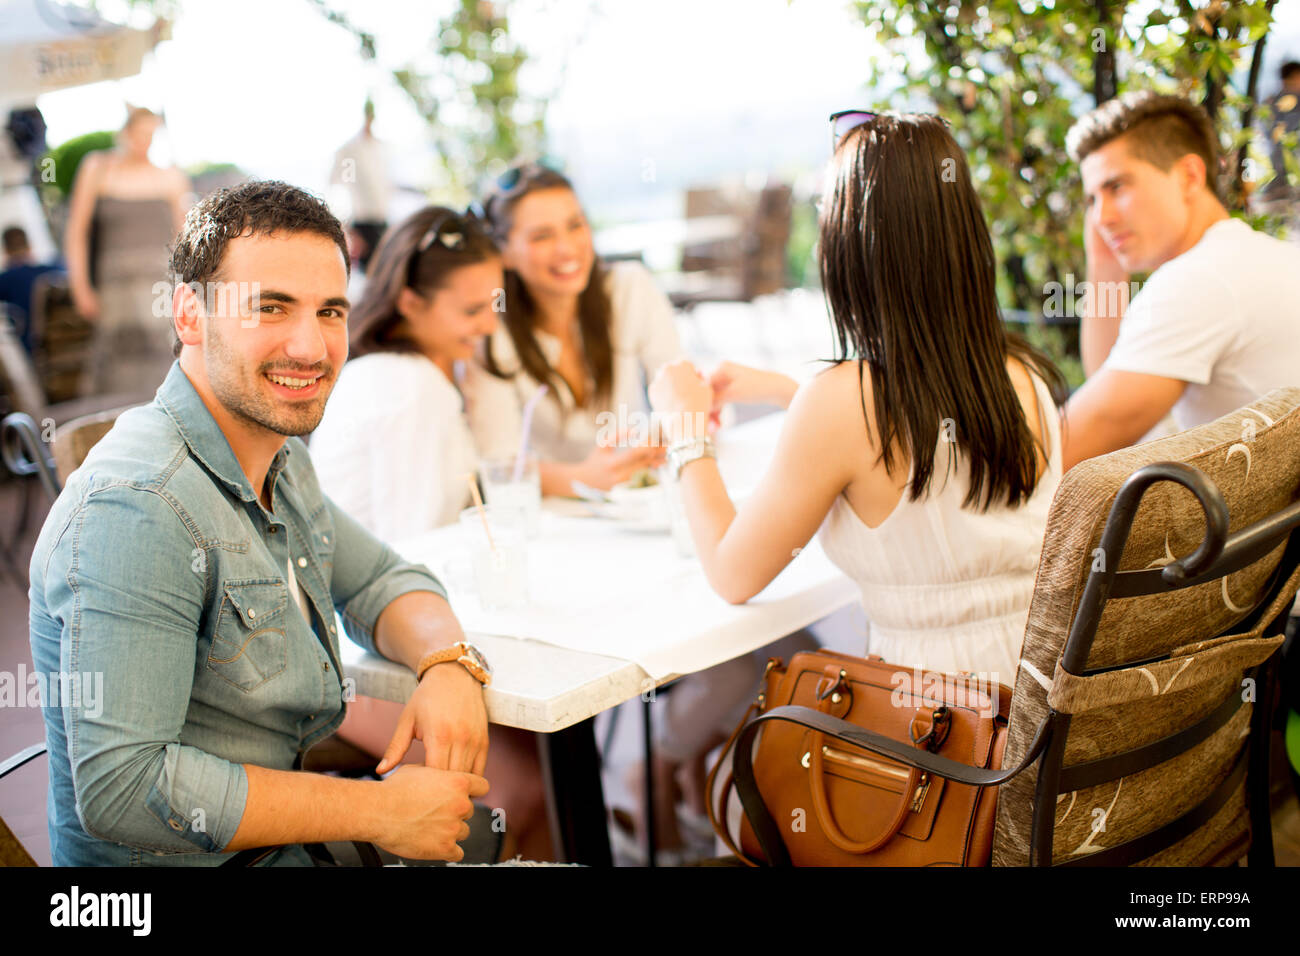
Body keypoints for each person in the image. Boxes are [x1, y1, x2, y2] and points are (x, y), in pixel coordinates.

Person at [28, 181, 490, 866]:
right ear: (190, 314)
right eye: (271, 306)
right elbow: (122, 788)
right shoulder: (137, 506)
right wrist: (381, 810)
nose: (311, 346)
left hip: (292, 844)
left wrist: (449, 663)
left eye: (330, 311)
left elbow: (384, 579)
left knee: (493, 832)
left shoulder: (276, 455)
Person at [649, 110, 1067, 685]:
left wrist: (684, 428)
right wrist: (783, 391)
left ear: (849, 246)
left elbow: (730, 573)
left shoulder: (843, 404)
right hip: (1038, 715)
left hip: (933, 742)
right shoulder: (1024, 374)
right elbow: (911, 445)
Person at [309, 206, 554, 859]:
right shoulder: (411, 390)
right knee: (522, 790)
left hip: (366, 649)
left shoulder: (410, 374)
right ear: (410, 301)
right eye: (472, 310)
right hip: (354, 668)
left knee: (546, 757)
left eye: (493, 304)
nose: (489, 324)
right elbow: (411, 554)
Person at [1062, 91, 1300, 469]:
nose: (1100, 218)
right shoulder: (1252, 256)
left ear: (1190, 176)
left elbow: (1070, 449)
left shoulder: (1198, 281)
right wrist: (1105, 266)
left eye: (1117, 187)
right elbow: (1108, 385)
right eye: (1092, 199)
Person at [471, 163, 676, 492]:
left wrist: (667, 432)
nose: (567, 248)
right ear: (504, 253)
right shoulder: (492, 332)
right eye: (542, 236)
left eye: (575, 225)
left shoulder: (630, 287)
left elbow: (680, 390)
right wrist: (582, 478)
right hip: (558, 517)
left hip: (643, 494)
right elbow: (497, 461)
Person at [63, 106, 190, 396]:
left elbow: (185, 240)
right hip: (114, 289)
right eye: (138, 133)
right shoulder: (97, 168)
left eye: (150, 134)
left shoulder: (170, 177)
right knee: (115, 365)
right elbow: (76, 231)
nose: (143, 141)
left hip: (159, 287)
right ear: (125, 132)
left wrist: (188, 290)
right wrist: (80, 287)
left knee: (164, 359)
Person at [330, 100, 392, 275]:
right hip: (361, 225)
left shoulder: (382, 148)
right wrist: (348, 230)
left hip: (384, 223)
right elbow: (336, 190)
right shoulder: (349, 150)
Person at [0, 225, 63, 354]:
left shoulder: (6, 280)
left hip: (32, 349)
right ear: (29, 246)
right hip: (66, 342)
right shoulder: (54, 270)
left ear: (6, 250)